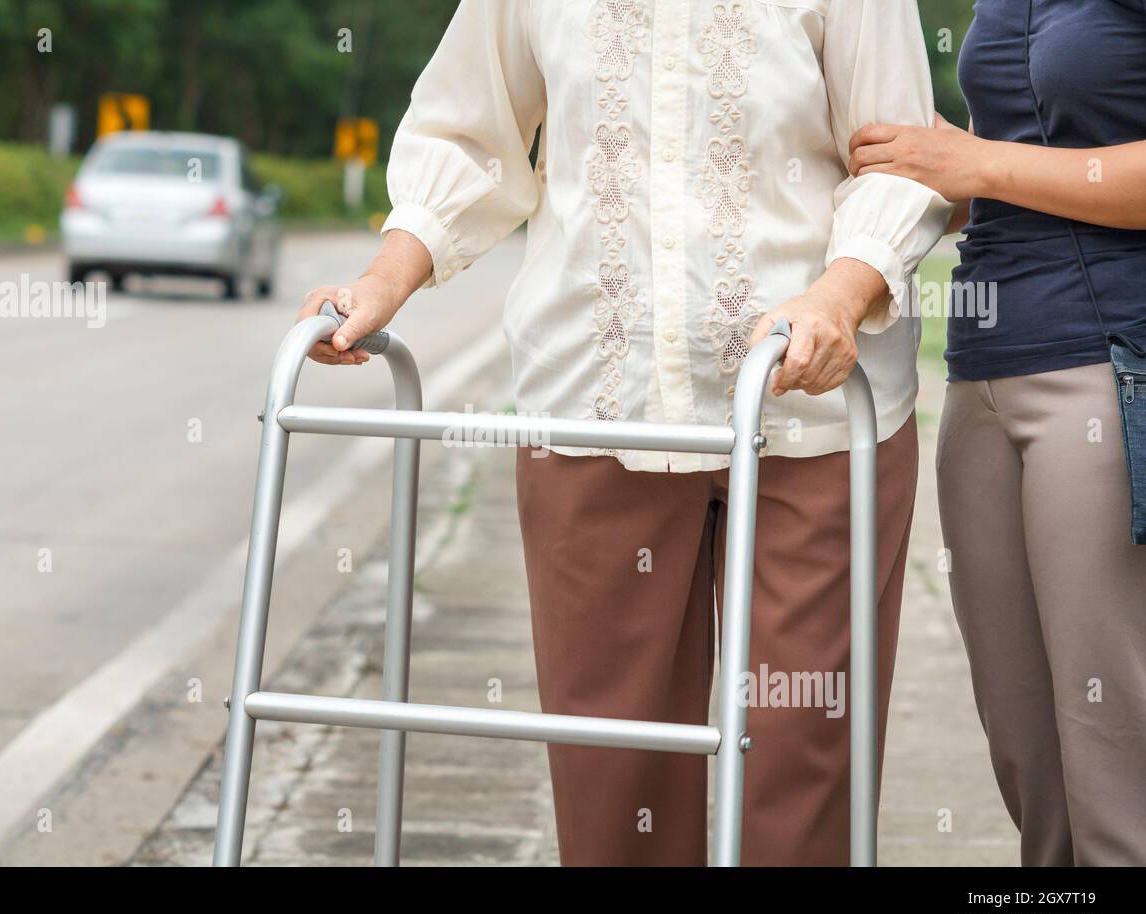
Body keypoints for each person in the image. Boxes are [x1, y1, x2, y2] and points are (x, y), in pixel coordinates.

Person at [302, 0, 949, 865]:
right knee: (613, 788)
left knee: (801, 777)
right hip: (594, 404)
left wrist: (840, 294)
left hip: (812, 417)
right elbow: (467, 131)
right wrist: (385, 278)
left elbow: (902, 156)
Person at [850, 0, 1146, 865]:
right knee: (1027, 753)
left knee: (1114, 753)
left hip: (1105, 362)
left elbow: (997, 163)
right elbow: (993, 177)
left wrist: (977, 160)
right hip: (980, 376)